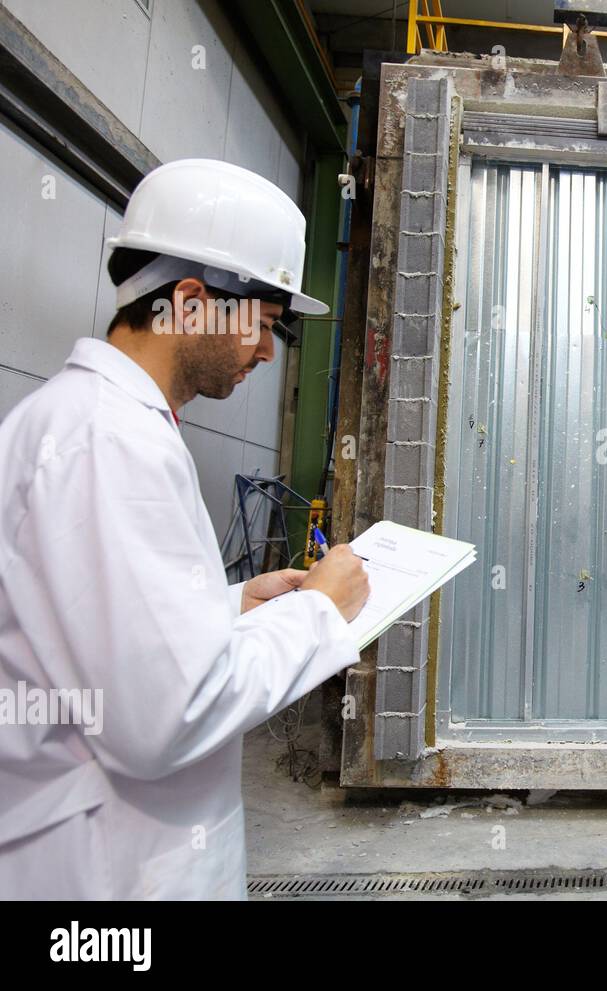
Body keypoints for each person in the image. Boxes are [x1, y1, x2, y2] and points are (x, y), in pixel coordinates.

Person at [0, 159, 370, 899]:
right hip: (110, 884)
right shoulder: (109, 442)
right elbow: (168, 714)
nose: (267, 351)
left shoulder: (90, 423)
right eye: (264, 324)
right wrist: (319, 613)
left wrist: (230, 608)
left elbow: (104, 639)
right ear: (194, 304)